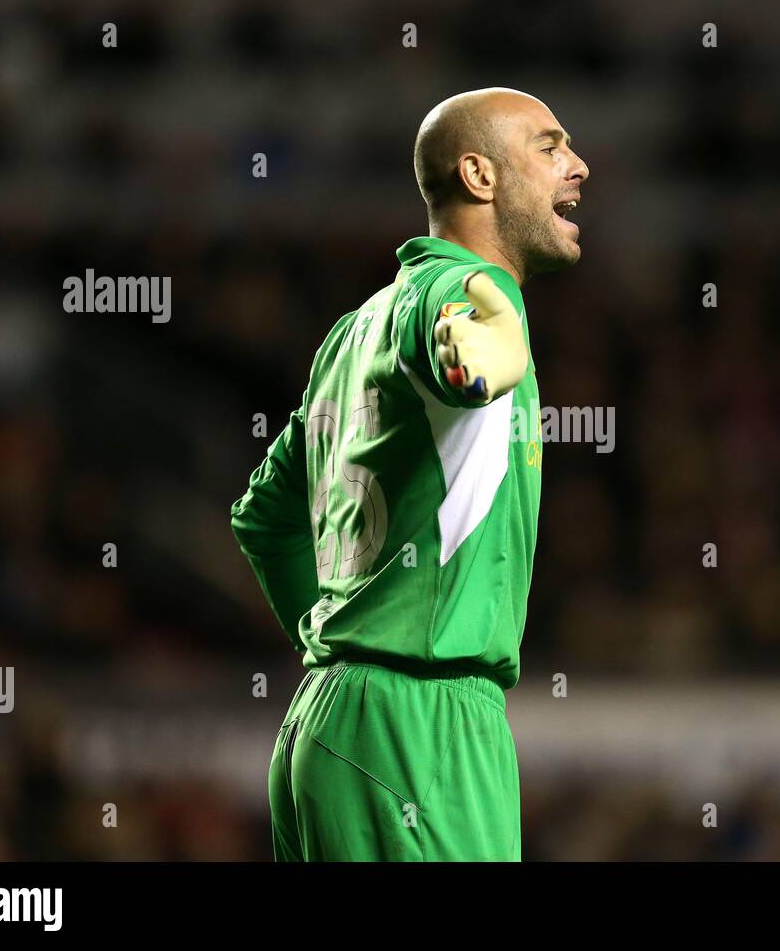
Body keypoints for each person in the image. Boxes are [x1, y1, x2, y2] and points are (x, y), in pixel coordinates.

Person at [230, 87, 589, 860]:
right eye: (551, 148)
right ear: (480, 175)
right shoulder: (466, 292)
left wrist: (338, 655)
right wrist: (481, 356)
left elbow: (265, 518)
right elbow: (464, 335)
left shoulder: (353, 331)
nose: (579, 166)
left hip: (334, 722)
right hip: (418, 729)